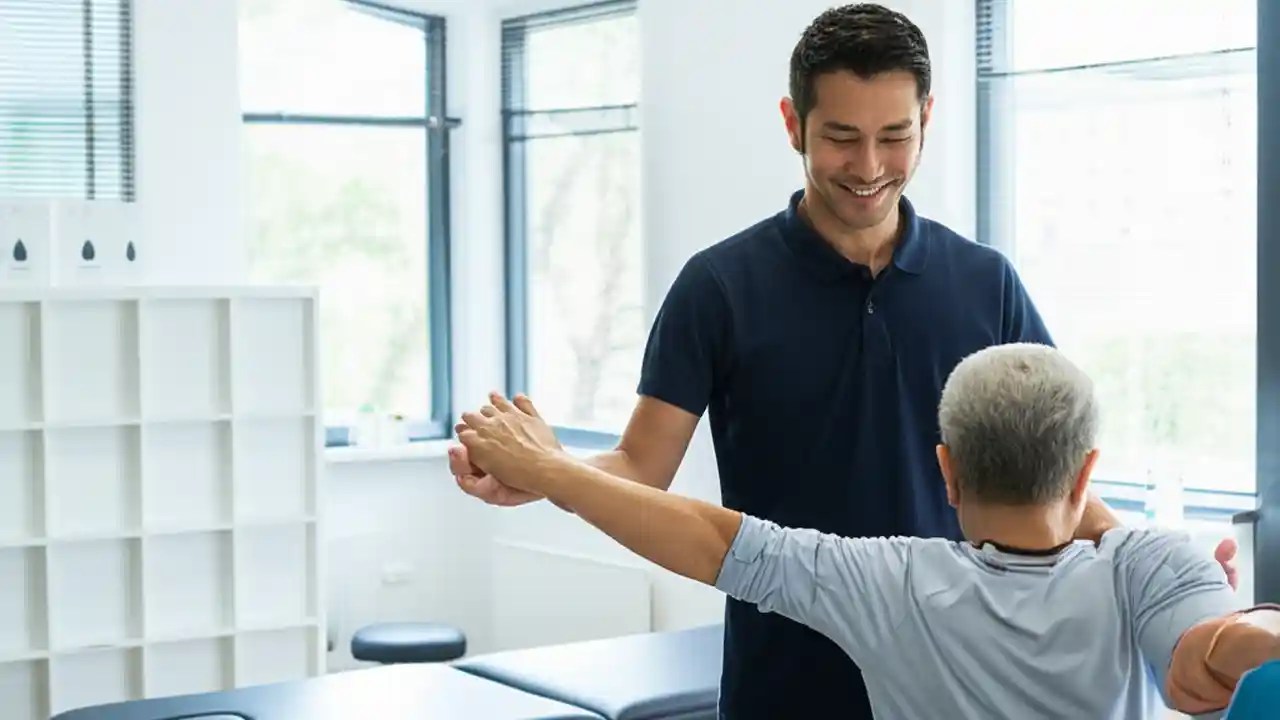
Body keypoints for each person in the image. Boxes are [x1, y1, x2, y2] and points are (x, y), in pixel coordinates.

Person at [451, 4, 1237, 718]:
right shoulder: (719, 287)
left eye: (894, 136)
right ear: (793, 123)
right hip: (781, 685)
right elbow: (639, 469)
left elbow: (1051, 473)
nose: (868, 166)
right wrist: (545, 474)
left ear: (927, 119)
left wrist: (1154, 572)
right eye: (841, 137)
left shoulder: (985, 283)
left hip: (948, 680)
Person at [453, 344, 1271, 719]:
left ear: (946, 471)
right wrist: (1254, 629)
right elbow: (1208, 662)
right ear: (1087, 472)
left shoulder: (890, 581)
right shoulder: (1151, 564)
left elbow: (708, 539)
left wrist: (552, 469)